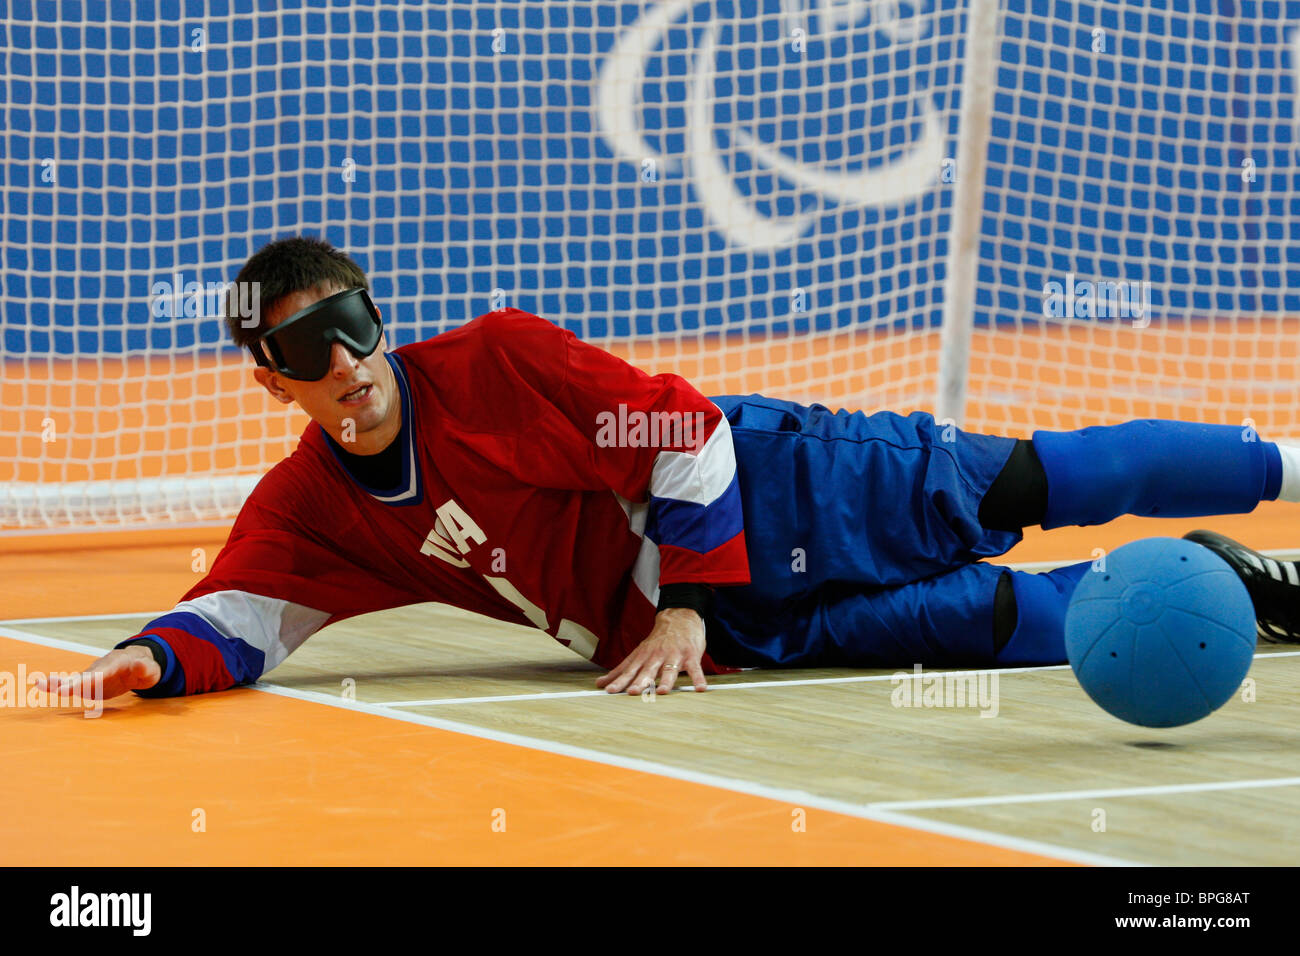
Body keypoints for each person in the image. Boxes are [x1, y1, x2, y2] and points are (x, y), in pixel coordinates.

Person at [47, 236, 1300, 704]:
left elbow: (685, 430)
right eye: (309, 349)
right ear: (272, 381)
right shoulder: (313, 509)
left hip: (774, 486)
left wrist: (689, 597)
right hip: (715, 631)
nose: (351, 361)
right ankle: (1248, 589)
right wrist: (151, 659)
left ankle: (1282, 467)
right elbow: (241, 616)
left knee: (1034, 487)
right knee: (996, 621)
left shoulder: (495, 359)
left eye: (358, 323)